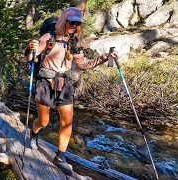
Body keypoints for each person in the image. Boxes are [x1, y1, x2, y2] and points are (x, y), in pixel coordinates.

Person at [24, 7, 118, 175]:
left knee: (67, 123)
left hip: (65, 85)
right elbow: (31, 57)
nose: (73, 26)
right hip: (45, 84)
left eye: (77, 23)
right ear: (64, 21)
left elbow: (84, 65)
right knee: (43, 122)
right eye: (71, 22)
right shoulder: (48, 37)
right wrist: (30, 49)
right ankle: (33, 134)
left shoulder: (73, 43)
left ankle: (60, 157)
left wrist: (104, 57)